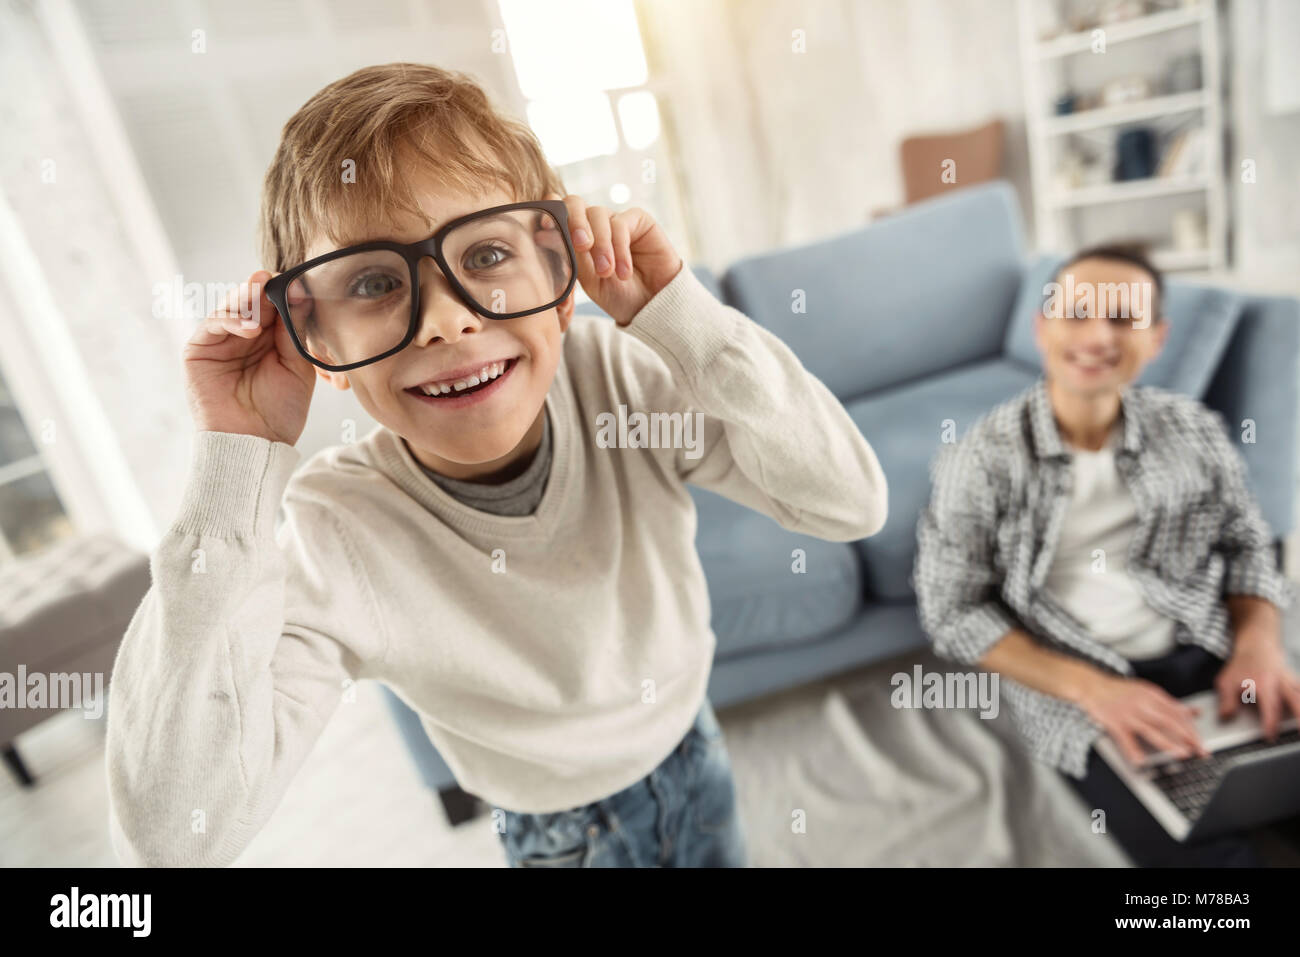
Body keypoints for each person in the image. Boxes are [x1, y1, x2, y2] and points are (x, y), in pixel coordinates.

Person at [104, 63, 888, 868]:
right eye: (374, 281)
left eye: (484, 254)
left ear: (558, 280)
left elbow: (848, 503)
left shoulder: (620, 381)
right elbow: (175, 833)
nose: (445, 320)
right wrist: (237, 457)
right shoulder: (337, 528)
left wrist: (684, 318)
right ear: (321, 344)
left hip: (693, 746)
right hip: (557, 834)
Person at [914, 243, 1300, 866]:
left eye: (1123, 318)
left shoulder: (1194, 429)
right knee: (1205, 877)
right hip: (1079, 685)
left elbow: (1247, 544)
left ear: (1158, 338)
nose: (1097, 336)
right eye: (1077, 313)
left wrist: (1260, 643)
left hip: (1213, 652)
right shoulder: (979, 459)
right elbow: (952, 613)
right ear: (1043, 328)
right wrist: (1096, 692)